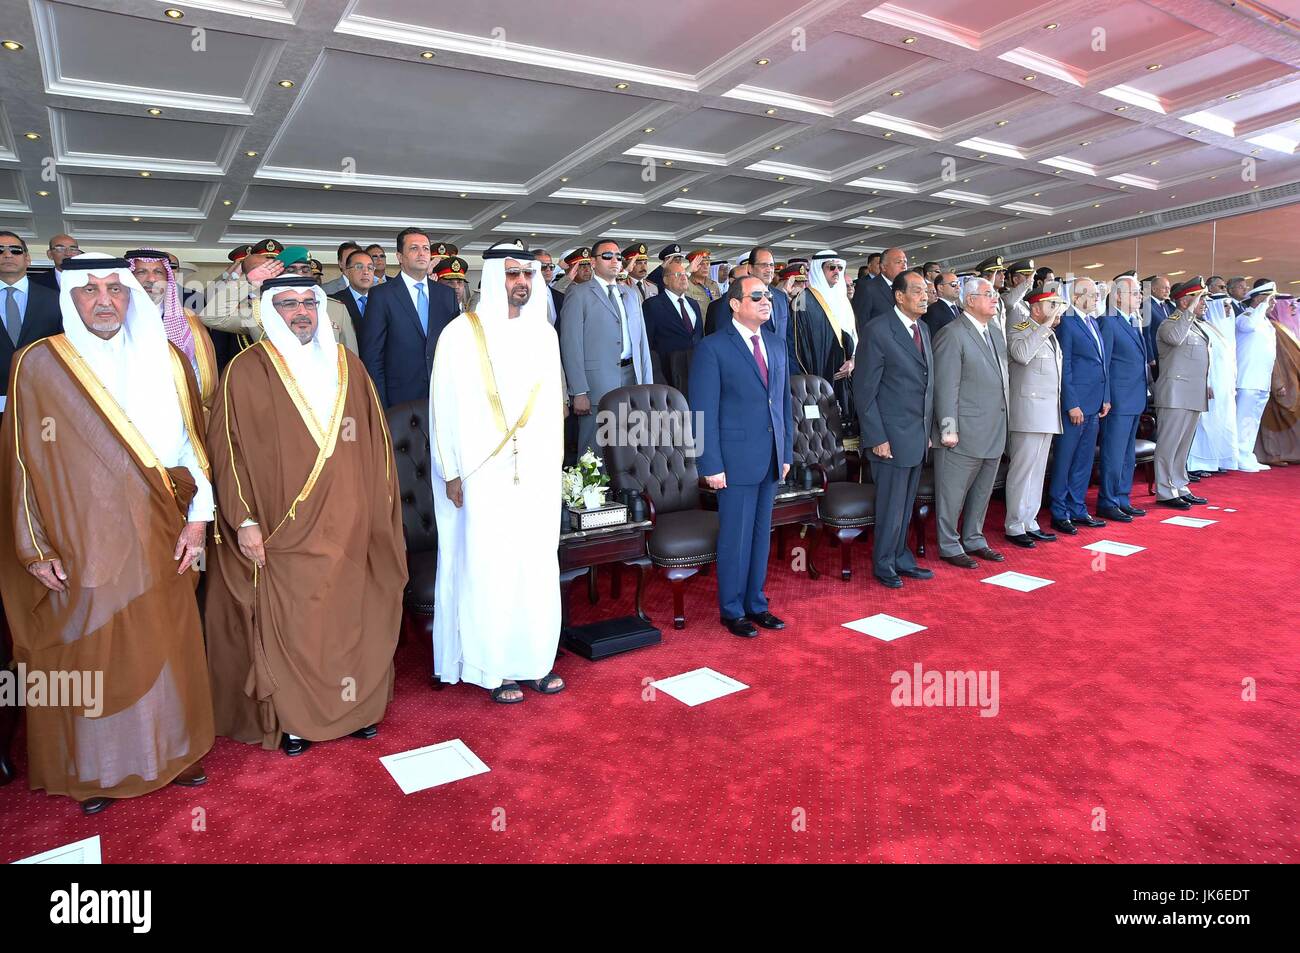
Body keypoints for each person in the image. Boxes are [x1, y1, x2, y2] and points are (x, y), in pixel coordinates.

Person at [0, 254, 213, 813]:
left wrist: (199, 519)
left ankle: (174, 752)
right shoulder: (39, 364)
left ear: (132, 298)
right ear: (69, 297)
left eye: (115, 291)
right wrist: (34, 546)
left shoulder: (166, 359)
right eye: (89, 290)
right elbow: (21, 461)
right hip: (81, 536)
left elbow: (195, 445)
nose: (104, 301)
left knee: (165, 640)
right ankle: (98, 769)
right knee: (94, 647)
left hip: (164, 525)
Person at [205, 273, 404, 755]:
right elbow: (226, 454)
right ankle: (295, 719)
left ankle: (353, 709)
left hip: (352, 527)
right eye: (289, 304)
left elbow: (377, 450)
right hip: (281, 530)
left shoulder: (349, 366)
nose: (301, 313)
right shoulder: (246, 370)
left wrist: (380, 516)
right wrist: (245, 520)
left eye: (309, 304)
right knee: (297, 623)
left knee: (349, 619)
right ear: (270, 311)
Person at [430, 241, 565, 702]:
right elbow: (441, 408)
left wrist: (554, 469)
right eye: (511, 275)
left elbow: (553, 411)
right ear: (492, 279)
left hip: (536, 475)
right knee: (490, 565)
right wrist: (450, 470)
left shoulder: (544, 335)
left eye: (527, 274)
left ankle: (536, 660)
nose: (521, 283)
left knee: (535, 564)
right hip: (479, 474)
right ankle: (495, 665)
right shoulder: (459, 334)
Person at [690, 276, 792, 637]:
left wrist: (787, 451)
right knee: (735, 536)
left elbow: (783, 404)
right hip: (732, 461)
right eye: (758, 296)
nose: (767, 301)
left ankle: (756, 603)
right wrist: (710, 464)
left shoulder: (778, 345)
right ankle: (732, 610)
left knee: (761, 535)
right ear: (735, 304)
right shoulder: (713, 348)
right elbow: (702, 412)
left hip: (770, 457)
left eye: (769, 296)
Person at [852, 271, 935, 588]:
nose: (924, 295)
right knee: (890, 504)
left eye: (926, 290)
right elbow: (864, 391)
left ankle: (901, 556)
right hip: (889, 436)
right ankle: (884, 563)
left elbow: (926, 385)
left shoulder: (923, 329)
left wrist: (928, 427)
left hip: (916, 433)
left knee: (906, 502)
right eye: (917, 291)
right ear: (899, 296)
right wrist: (877, 437)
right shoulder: (878, 330)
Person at [931, 276, 1009, 567]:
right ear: (970, 300)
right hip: (962, 432)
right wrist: (948, 429)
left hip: (994, 427)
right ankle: (949, 545)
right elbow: (945, 387)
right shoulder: (952, 334)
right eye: (988, 294)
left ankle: (974, 537)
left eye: (994, 294)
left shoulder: (995, 334)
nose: (995, 298)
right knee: (952, 492)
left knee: (982, 491)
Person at [559, 237, 653, 455]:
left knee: (630, 444)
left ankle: (627, 489)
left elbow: (642, 344)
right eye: (607, 256)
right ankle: (594, 490)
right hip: (596, 383)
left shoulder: (630, 294)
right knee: (596, 448)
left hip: (631, 377)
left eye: (618, 257)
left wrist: (647, 384)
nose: (615, 260)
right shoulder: (578, 293)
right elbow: (571, 345)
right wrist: (579, 391)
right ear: (593, 262)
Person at [358, 227, 458, 407]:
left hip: (443, 398)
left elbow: (456, 349)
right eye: (414, 248)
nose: (422, 253)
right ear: (399, 257)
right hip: (400, 403)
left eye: (426, 248)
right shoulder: (381, 295)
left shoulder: (446, 295)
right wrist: (382, 407)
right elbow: (373, 357)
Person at [1004, 285, 1066, 547]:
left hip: (1046, 412)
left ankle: (1030, 520)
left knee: (1038, 471)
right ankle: (1014, 524)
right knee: (1022, 471)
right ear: (1036, 308)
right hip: (1027, 413)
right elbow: (1022, 355)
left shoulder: (1049, 334)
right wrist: (1046, 324)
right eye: (1052, 306)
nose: (1057, 311)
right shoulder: (1020, 330)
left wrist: (1048, 326)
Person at [1048, 277, 1110, 534]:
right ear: (1076, 296)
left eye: (1097, 294)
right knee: (1066, 460)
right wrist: (1071, 404)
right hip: (1075, 406)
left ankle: (1077, 507)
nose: (1097, 298)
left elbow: (1102, 364)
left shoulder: (1093, 321)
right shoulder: (1068, 323)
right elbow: (1065, 367)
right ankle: (1059, 511)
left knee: (1084, 460)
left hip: (1095, 403)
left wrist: (1105, 397)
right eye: (1092, 294)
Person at [126, 249, 219, 419]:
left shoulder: (188, 320)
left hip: (179, 412)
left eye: (158, 272)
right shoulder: (115, 320)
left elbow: (197, 373)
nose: (151, 279)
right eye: (141, 272)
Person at [1153, 279, 1212, 509]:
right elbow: (1176, 338)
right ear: (1185, 300)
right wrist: (1187, 311)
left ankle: (1179, 484)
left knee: (1183, 445)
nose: (1204, 303)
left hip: (1192, 393)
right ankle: (1165, 490)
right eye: (1200, 298)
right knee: (1169, 444)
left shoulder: (1195, 324)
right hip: (1175, 393)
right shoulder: (1171, 322)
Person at [1096, 275, 1151, 521]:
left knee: (1127, 454)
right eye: (1135, 293)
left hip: (1134, 398)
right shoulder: (1109, 321)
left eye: (1140, 293)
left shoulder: (1132, 320)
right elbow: (1104, 364)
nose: (1140, 297)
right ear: (1118, 296)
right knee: (1114, 453)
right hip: (1117, 400)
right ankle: (1108, 501)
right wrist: (1106, 397)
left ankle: (1122, 498)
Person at [796, 249, 857, 431]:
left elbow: (854, 336)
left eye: (839, 267)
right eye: (831, 267)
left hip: (846, 376)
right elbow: (800, 345)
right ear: (818, 270)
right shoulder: (803, 299)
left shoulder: (843, 300)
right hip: (819, 375)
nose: (836, 271)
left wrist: (853, 361)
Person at [0, 231, 62, 405]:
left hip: (43, 398)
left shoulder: (56, 299)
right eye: (0, 250)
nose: (7, 254)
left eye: (15, 250)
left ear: (27, 258)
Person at [1186, 292, 1239, 476]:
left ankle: (1215, 460)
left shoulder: (1214, 326)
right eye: (1225, 306)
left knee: (1220, 423)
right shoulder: (1201, 327)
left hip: (1223, 384)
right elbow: (1204, 359)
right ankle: (1198, 463)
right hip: (1210, 384)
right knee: (1205, 424)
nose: (1229, 310)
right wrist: (1206, 382)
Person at [1234, 279, 1278, 472]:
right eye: (1271, 299)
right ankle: (1237, 457)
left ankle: (1247, 454)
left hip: (1261, 379)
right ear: (1259, 299)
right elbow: (1248, 327)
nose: (1273, 304)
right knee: (1242, 419)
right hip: (1247, 378)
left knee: (1253, 421)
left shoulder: (1266, 321)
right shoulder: (1246, 316)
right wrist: (1261, 306)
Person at [643, 257, 703, 393]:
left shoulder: (693, 304)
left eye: (685, 274)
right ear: (665, 280)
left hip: (695, 371)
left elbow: (699, 337)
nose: (683, 278)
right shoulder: (652, 305)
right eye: (678, 275)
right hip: (668, 375)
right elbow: (648, 344)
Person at [1255, 295, 1300, 465]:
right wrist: (1278, 381)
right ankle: (1272, 454)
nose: (1293, 309)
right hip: (1279, 382)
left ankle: (1287, 452)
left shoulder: (1284, 327)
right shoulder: (1274, 327)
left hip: (1292, 381)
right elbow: (1273, 358)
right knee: (1271, 422)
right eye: (1290, 306)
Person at [852, 246, 907, 335]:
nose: (904, 265)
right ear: (883, 267)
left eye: (905, 262)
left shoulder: (907, 288)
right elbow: (860, 323)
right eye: (898, 262)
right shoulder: (867, 288)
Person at [329, 246, 374, 333]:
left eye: (370, 267)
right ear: (346, 272)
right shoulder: (334, 301)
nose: (366, 272)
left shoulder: (383, 300)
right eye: (359, 267)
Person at [925, 271, 961, 335]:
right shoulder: (932, 311)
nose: (958, 287)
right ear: (940, 288)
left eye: (959, 284)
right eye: (954, 284)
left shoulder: (961, 310)